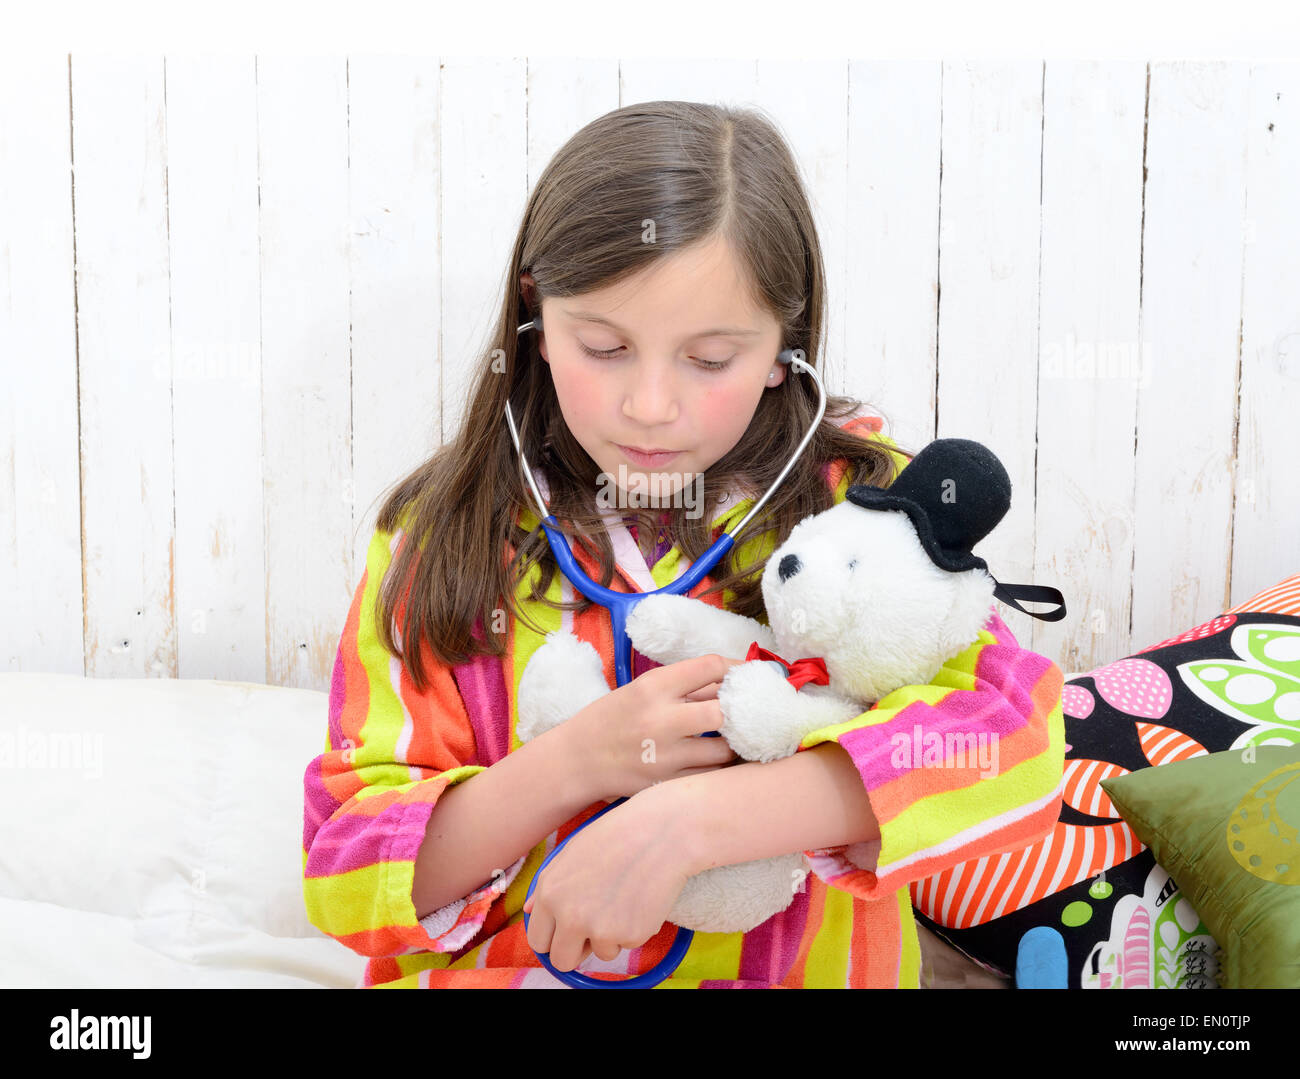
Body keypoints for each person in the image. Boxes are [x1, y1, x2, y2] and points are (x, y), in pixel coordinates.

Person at [301, 100, 1065, 988]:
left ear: (785, 345)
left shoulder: (867, 511)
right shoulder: (443, 537)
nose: (651, 406)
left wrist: (695, 821)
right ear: (536, 317)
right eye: (604, 346)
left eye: (709, 359)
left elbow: (1012, 746)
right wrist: (578, 762)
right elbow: (345, 870)